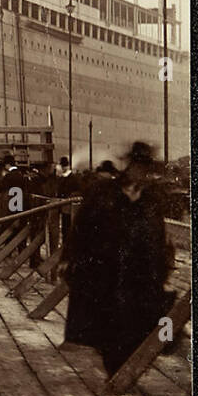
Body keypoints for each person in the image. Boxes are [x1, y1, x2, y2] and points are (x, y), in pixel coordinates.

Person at [63, 142, 175, 375]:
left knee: (135, 324)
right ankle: (115, 370)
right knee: (108, 323)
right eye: (138, 167)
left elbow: (158, 236)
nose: (141, 172)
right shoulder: (104, 193)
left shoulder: (150, 200)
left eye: (145, 168)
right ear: (129, 166)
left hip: (138, 274)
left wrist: (162, 268)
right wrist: (69, 258)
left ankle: (121, 370)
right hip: (107, 271)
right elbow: (81, 227)